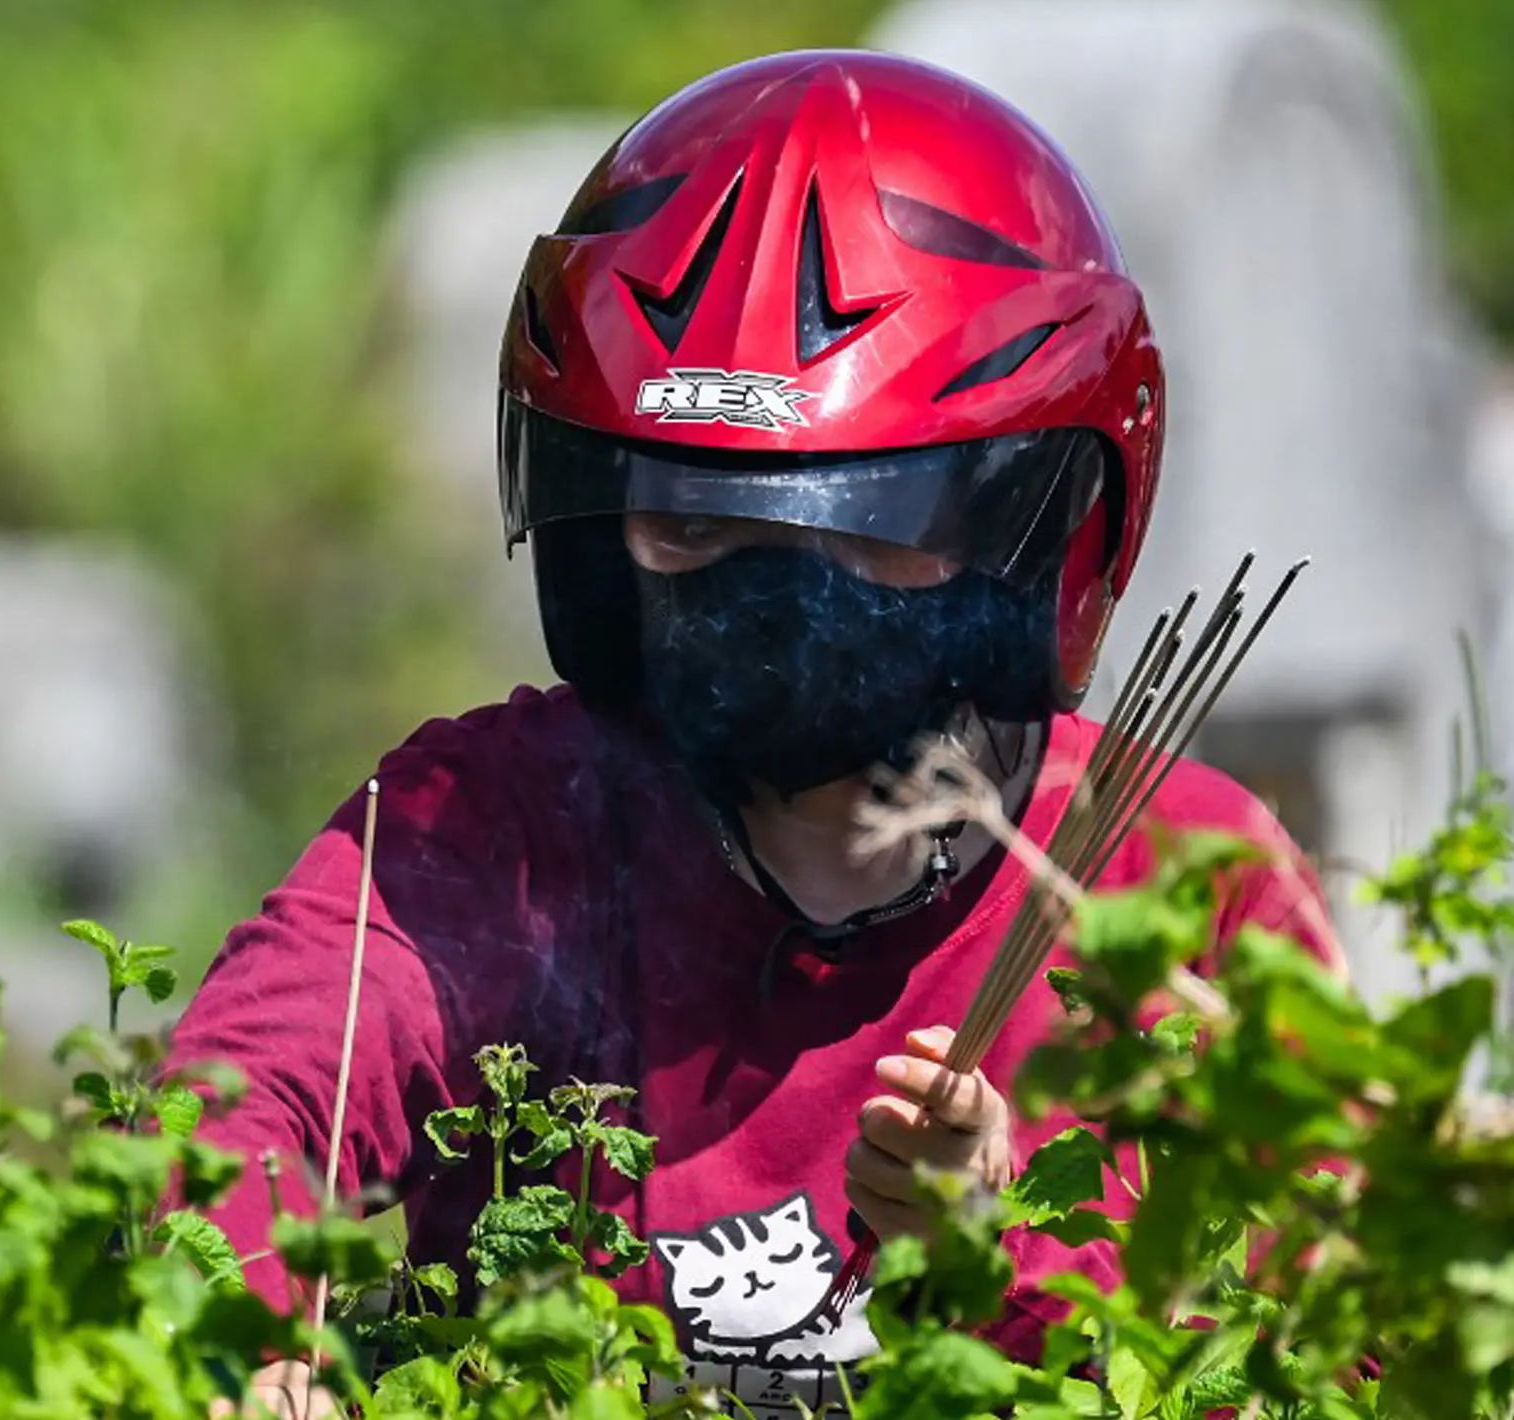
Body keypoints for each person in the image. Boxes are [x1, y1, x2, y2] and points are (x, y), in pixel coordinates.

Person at [170, 49, 1342, 1419]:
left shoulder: (1171, 881)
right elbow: (231, 1110)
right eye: (692, 525)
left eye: (861, 532)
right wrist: (240, 1349)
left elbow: (1358, 1348)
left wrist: (998, 1260)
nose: (775, 602)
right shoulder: (492, 830)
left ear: (1026, 529)